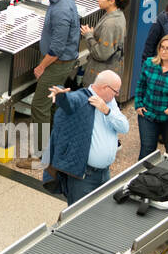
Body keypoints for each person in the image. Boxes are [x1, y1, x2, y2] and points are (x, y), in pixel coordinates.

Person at [20, 0, 80, 168]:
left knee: (39, 106)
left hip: (57, 63)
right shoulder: (61, 0)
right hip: (61, 61)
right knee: (52, 104)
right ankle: (54, 144)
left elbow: (57, 48)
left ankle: (40, 156)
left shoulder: (62, 10)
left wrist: (41, 67)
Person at [44, 70, 128, 205]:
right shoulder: (81, 98)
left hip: (104, 173)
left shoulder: (110, 103)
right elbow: (69, 101)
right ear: (105, 87)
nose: (116, 95)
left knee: (101, 213)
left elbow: (124, 127)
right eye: (115, 91)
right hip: (84, 176)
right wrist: (60, 93)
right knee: (77, 217)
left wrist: (107, 111)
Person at [80, 0, 128, 76]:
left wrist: (88, 35)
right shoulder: (118, 14)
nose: (98, 0)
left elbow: (101, 54)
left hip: (101, 75)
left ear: (111, 1)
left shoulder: (110, 24)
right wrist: (94, 33)